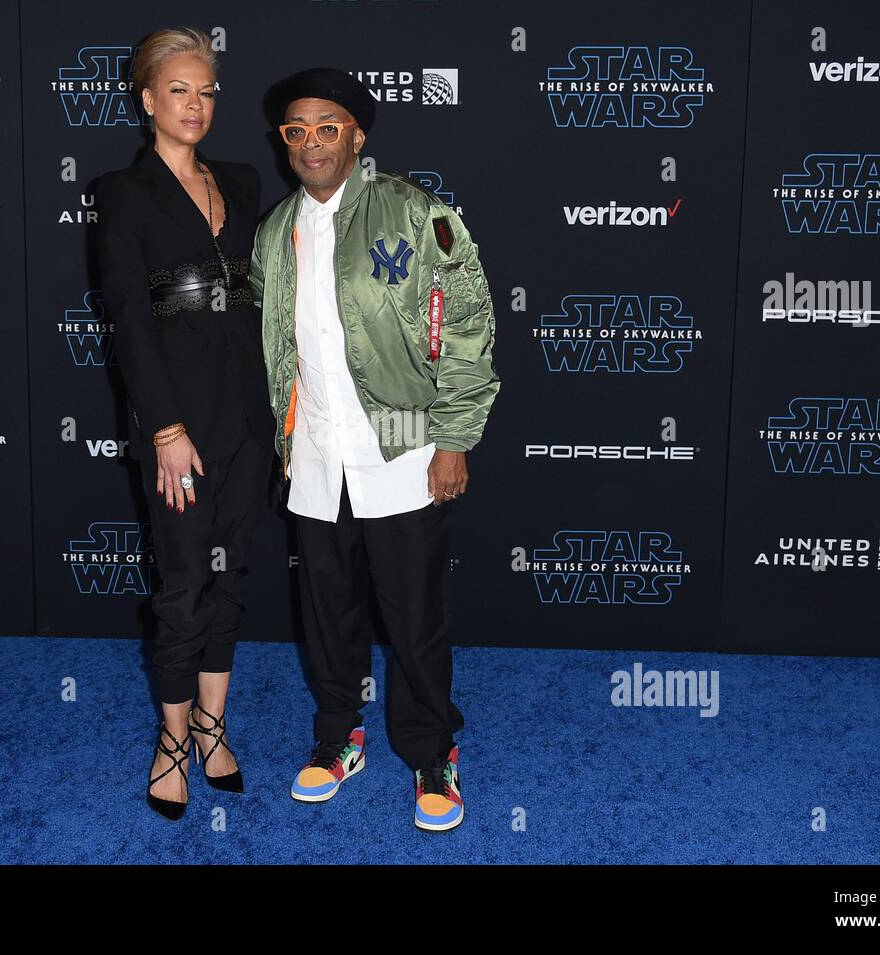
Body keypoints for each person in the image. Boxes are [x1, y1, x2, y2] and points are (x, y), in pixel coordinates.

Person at [249, 68, 500, 831]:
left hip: (400, 451)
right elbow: (275, 346)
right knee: (327, 612)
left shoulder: (416, 212)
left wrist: (453, 438)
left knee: (414, 613)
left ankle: (431, 751)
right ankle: (338, 736)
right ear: (284, 144)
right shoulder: (273, 231)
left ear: (356, 136)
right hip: (317, 456)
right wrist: (284, 438)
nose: (312, 142)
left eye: (328, 127)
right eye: (297, 130)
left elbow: (465, 328)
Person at [95, 27, 274, 821]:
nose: (195, 104)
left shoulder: (240, 180)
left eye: (206, 91)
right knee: (182, 584)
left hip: (247, 414)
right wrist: (164, 430)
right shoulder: (122, 195)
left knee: (231, 575)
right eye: (179, 90)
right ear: (146, 100)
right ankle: (170, 742)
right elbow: (130, 321)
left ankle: (212, 726)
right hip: (180, 426)